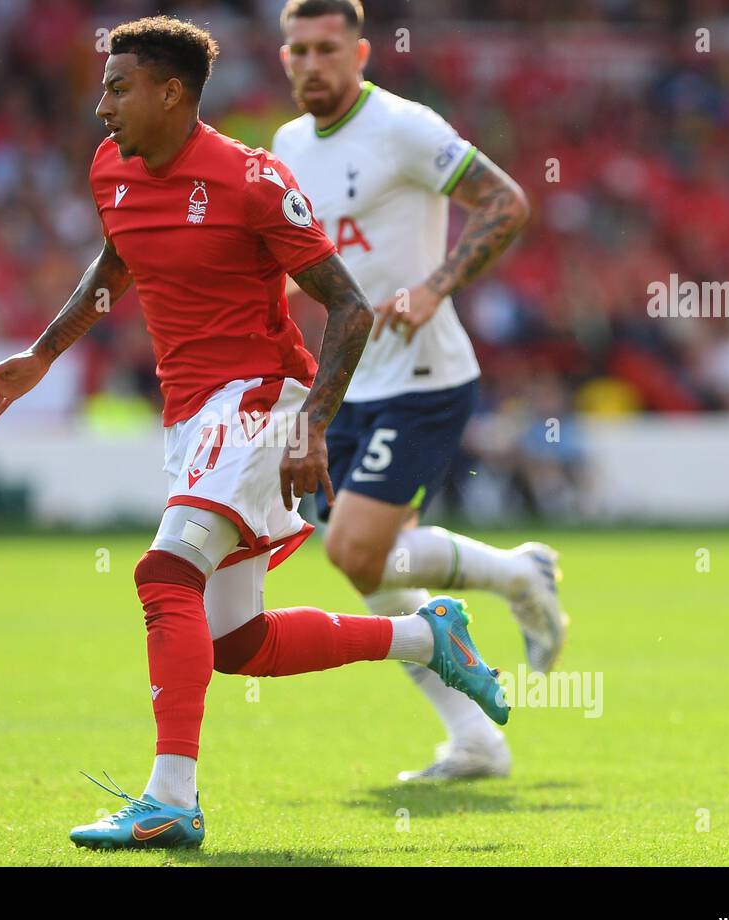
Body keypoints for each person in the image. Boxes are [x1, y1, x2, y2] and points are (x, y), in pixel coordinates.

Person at [0, 15, 509, 849]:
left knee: (163, 574)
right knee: (237, 642)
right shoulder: (109, 166)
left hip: (257, 401)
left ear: (171, 92)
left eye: (118, 88)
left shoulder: (252, 179)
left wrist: (313, 425)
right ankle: (425, 634)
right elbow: (116, 261)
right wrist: (44, 354)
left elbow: (348, 303)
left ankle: (171, 798)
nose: (103, 105)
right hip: (191, 416)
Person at [272, 0, 567, 781]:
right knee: (373, 569)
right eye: (297, 50)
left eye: (326, 48)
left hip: (426, 378)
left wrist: (436, 285)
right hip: (347, 381)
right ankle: (476, 735)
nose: (311, 64)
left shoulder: (405, 126)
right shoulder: (287, 144)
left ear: (361, 52)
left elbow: (507, 201)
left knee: (355, 549)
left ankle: (512, 581)